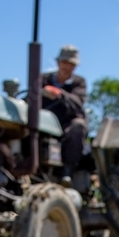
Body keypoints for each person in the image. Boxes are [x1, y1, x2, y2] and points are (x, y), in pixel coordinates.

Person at [41, 45, 88, 182]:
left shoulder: (79, 82)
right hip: (43, 121)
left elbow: (77, 102)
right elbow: (31, 96)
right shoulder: (43, 79)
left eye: (71, 64)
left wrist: (59, 93)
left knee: (78, 126)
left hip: (66, 123)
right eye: (65, 62)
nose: (67, 67)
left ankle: (67, 171)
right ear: (58, 62)